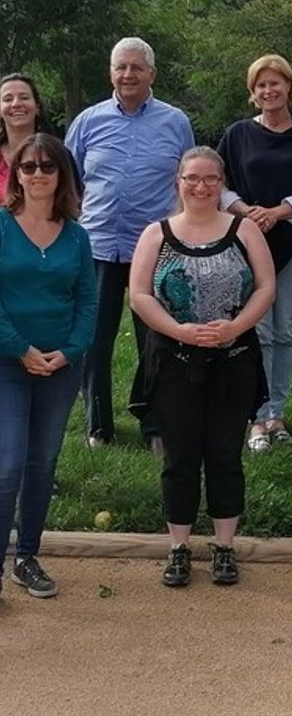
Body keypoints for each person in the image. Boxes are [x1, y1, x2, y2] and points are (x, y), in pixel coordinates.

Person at [129, 147, 275, 587]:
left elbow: (266, 287)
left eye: (210, 178)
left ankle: (224, 546)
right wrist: (179, 330)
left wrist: (236, 326)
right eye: (192, 178)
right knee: (180, 457)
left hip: (233, 361)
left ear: (222, 183)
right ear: (178, 182)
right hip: (173, 362)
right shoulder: (156, 234)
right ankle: (179, 547)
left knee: (225, 455)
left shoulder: (244, 230)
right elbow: (139, 295)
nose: (201, 186)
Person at [66, 37, 195, 451]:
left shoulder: (176, 122)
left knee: (155, 340)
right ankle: (98, 425)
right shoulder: (88, 121)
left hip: (154, 249)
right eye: (121, 67)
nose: (128, 74)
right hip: (98, 247)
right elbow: (68, 180)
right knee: (94, 340)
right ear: (111, 73)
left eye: (137, 67)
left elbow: (189, 182)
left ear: (151, 73)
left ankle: (154, 422)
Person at [218, 53, 292, 452]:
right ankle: (256, 416)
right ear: (253, 92)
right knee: (256, 330)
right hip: (246, 243)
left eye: (275, 83)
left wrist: (277, 212)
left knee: (283, 331)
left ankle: (277, 414)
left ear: (289, 86)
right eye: (261, 85)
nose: (269, 90)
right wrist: (247, 212)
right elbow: (220, 184)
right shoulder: (237, 135)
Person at [0, 134, 97, 600]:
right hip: (7, 362)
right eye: (28, 167)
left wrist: (71, 350)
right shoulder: (1, 226)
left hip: (61, 365)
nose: (38, 174)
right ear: (16, 175)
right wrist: (20, 348)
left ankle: (27, 558)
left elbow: (88, 300)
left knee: (42, 462)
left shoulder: (77, 236)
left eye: (48, 166)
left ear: (62, 175)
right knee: (7, 466)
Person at [1, 74, 56, 199]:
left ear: (37, 108)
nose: (16, 104)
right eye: (8, 99)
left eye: (24, 97)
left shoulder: (57, 155)